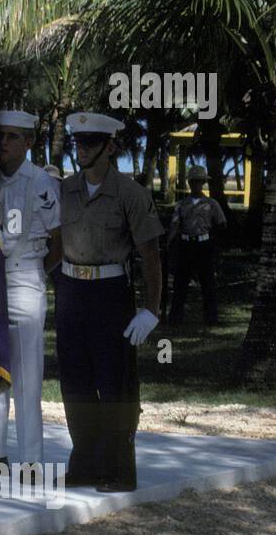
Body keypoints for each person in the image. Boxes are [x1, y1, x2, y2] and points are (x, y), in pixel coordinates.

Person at [56, 112, 163, 492]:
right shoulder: (64, 190)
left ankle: (118, 468)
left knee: (114, 384)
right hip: (71, 292)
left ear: (110, 147)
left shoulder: (131, 194)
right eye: (78, 143)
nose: (81, 150)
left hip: (110, 295)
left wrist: (151, 310)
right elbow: (54, 245)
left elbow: (150, 256)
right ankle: (85, 462)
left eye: (89, 143)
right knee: (75, 384)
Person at [0, 111, 62, 473]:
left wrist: (34, 277)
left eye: (13, 137)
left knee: (27, 379)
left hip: (26, 280)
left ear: (28, 143)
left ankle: (31, 462)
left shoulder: (41, 182)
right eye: (1, 137)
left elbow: (59, 241)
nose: (5, 144)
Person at [167, 165, 226, 326]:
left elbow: (221, 224)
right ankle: (175, 318)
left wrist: (215, 244)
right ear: (189, 183)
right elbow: (174, 226)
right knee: (180, 284)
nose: (196, 185)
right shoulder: (182, 204)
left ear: (203, 183)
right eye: (193, 182)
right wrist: (169, 244)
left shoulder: (211, 204)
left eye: (199, 182)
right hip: (186, 245)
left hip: (204, 245)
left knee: (208, 284)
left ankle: (211, 319)